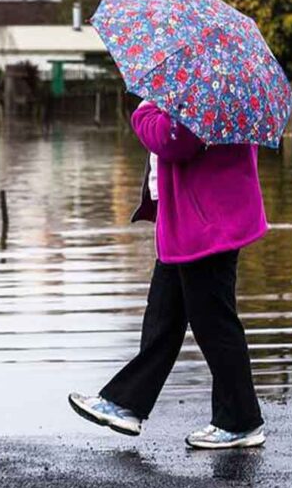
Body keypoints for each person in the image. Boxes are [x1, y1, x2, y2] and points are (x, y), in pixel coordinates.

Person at [68, 100, 268, 449]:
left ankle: (241, 420)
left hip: (207, 223)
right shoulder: (200, 84)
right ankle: (126, 404)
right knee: (164, 317)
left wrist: (143, 113)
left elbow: (176, 141)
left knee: (214, 321)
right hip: (189, 221)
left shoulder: (206, 88)